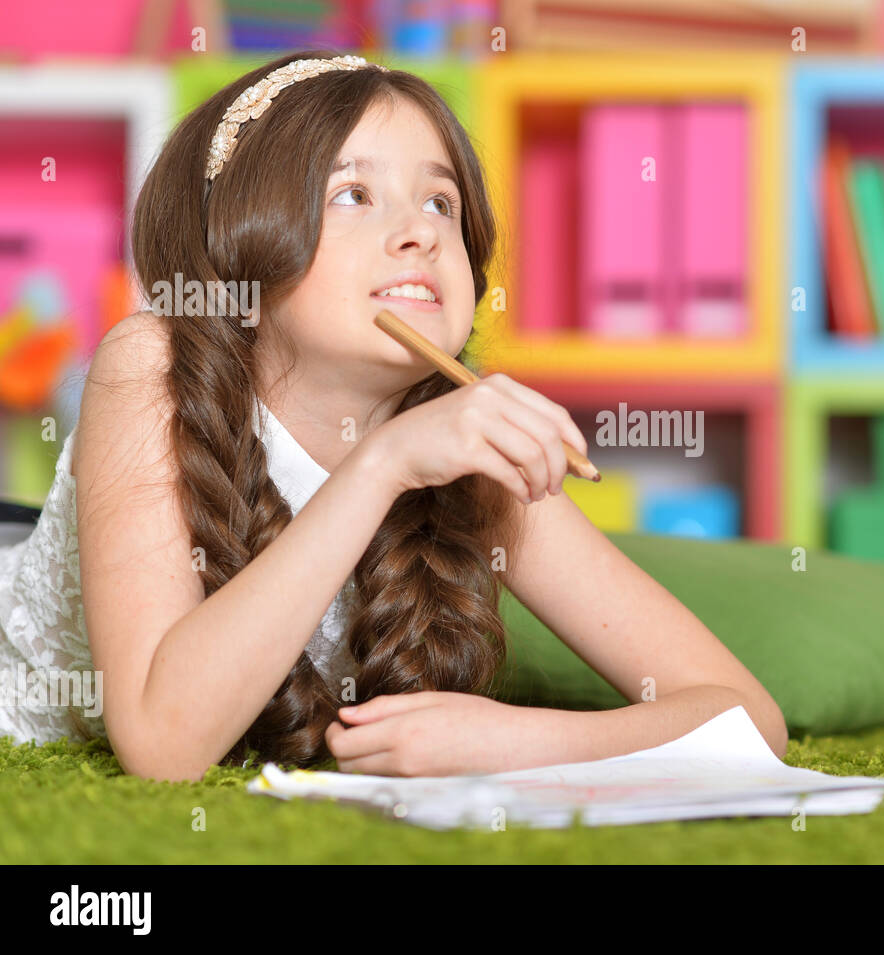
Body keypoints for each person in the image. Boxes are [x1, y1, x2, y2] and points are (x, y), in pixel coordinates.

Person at [0, 51, 786, 782]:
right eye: (353, 193)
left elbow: (750, 719)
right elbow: (163, 743)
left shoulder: (473, 450)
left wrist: (519, 739)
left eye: (441, 201)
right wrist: (384, 465)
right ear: (237, 243)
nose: (421, 232)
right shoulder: (147, 363)